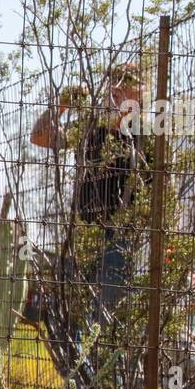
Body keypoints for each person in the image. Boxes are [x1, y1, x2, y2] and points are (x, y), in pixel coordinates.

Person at [30, 63, 152, 329]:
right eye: (112, 83)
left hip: (121, 243)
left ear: (142, 91)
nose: (116, 90)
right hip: (82, 238)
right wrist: (61, 106)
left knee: (102, 324)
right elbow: (39, 136)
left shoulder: (147, 137)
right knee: (68, 322)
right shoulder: (90, 131)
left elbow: (164, 197)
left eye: (125, 83)